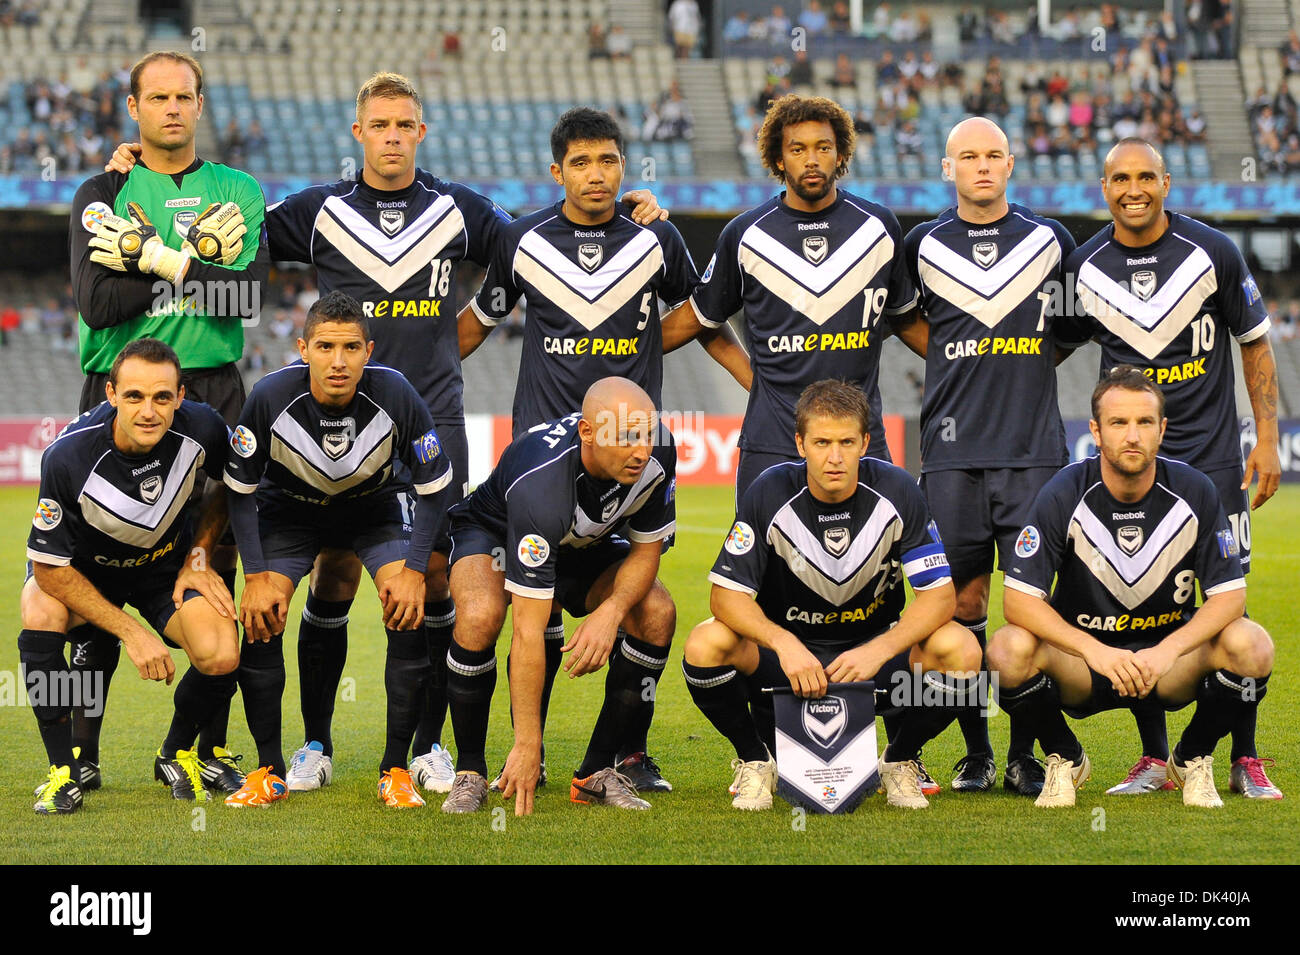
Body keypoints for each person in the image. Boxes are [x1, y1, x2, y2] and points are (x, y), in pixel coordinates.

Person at [105, 73, 664, 797]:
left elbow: (544, 236)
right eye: (380, 125)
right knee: (335, 572)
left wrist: (626, 215)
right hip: (337, 430)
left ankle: (427, 747)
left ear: (421, 132)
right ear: (358, 133)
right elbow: (236, 237)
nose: (393, 137)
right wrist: (137, 172)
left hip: (433, 422)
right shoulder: (320, 210)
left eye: (405, 125)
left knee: (433, 577)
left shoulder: (461, 209)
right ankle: (314, 744)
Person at [459, 108, 749, 791]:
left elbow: (704, 317)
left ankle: (618, 758)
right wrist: (412, 385)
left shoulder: (657, 238)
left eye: (609, 161)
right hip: (541, 466)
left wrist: (757, 386)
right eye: (581, 162)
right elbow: (477, 323)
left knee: (651, 607)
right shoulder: (521, 239)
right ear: (557, 171)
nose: (597, 174)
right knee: (527, 617)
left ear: (625, 166)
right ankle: (505, 757)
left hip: (622, 467)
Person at [1059, 137, 1282, 798]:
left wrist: (1267, 437)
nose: (1134, 190)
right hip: (1129, 466)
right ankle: (1156, 757)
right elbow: (1045, 351)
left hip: (1211, 463)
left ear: (1165, 182)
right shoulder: (1083, 266)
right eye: (1120, 178)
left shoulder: (1213, 251)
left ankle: (1242, 754)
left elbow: (1255, 344)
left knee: (1231, 607)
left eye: (1146, 177)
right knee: (1138, 601)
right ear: (1104, 187)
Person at [72, 50, 267, 798]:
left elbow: (244, 300)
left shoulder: (238, 189)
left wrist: (150, 254)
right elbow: (99, 307)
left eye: (184, 96)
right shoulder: (102, 189)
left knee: (217, 565)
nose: (173, 109)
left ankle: (197, 747)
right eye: (157, 98)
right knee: (99, 568)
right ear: (134, 107)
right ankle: (79, 756)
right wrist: (193, 264)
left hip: (213, 389)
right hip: (123, 392)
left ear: (200, 103)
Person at [682, 380, 983, 810]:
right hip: (789, 663)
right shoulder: (768, 491)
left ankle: (899, 760)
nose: (835, 457)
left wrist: (879, 650)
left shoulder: (898, 490)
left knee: (961, 649)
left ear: (865, 443)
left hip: (873, 658)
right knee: (705, 642)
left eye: (846, 442)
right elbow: (725, 597)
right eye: (822, 442)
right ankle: (755, 760)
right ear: (800, 444)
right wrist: (784, 644)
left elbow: (939, 597)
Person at [989, 367, 1276, 808]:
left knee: (1252, 645)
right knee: (1007, 650)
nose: (1132, 436)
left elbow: (1230, 596)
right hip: (1086, 666)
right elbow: (1018, 601)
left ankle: (1192, 756)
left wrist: (1167, 651)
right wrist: (1094, 651)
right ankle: (1065, 757)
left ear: (1162, 429)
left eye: (1144, 422)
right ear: (1096, 431)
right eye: (1118, 422)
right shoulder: (1063, 492)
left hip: (1168, 666)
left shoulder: (1194, 490)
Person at [895, 117, 1076, 796]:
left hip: (1034, 456)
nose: (981, 165)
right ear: (948, 168)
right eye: (967, 156)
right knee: (957, 604)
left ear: (1011, 163)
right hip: (950, 456)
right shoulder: (921, 244)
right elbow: (905, 319)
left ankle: (1027, 754)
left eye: (993, 154)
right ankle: (977, 753)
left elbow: (1072, 326)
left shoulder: (1050, 240)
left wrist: (1022, 360)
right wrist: (955, 357)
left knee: (1027, 609)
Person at [221, 291, 455, 808]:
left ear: (368, 350)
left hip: (374, 506)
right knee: (262, 613)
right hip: (290, 509)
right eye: (325, 347)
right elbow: (239, 492)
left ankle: (395, 769)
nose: (338, 361)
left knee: (405, 604)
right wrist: (254, 575)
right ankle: (275, 767)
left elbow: (435, 489)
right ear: (303, 348)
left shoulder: (396, 393)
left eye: (351, 347)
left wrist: (415, 570)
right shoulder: (269, 396)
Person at [439, 377, 677, 815]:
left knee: (657, 613)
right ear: (587, 433)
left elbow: (646, 552)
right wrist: (528, 744)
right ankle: (470, 771)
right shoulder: (542, 484)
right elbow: (528, 632)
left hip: (580, 542)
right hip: (495, 532)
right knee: (479, 617)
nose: (641, 450)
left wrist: (611, 612)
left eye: (646, 434)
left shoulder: (658, 454)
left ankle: (594, 773)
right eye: (626, 437)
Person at [22, 339, 240, 812]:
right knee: (39, 611)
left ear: (180, 397)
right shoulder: (67, 456)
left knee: (222, 651)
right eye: (134, 396)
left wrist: (199, 555)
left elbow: (234, 484)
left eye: (162, 397)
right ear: (111, 395)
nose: (148, 411)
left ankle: (174, 752)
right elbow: (49, 569)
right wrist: (132, 632)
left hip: (162, 569)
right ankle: (63, 773)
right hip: (83, 573)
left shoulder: (203, 426)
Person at [688, 93, 919, 498]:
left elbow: (905, 319)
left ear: (840, 154)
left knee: (881, 540)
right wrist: (757, 382)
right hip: (772, 442)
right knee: (762, 543)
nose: (811, 160)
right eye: (797, 149)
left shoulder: (879, 227)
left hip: (858, 439)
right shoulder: (745, 234)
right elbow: (702, 320)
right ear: (779, 159)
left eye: (823, 148)